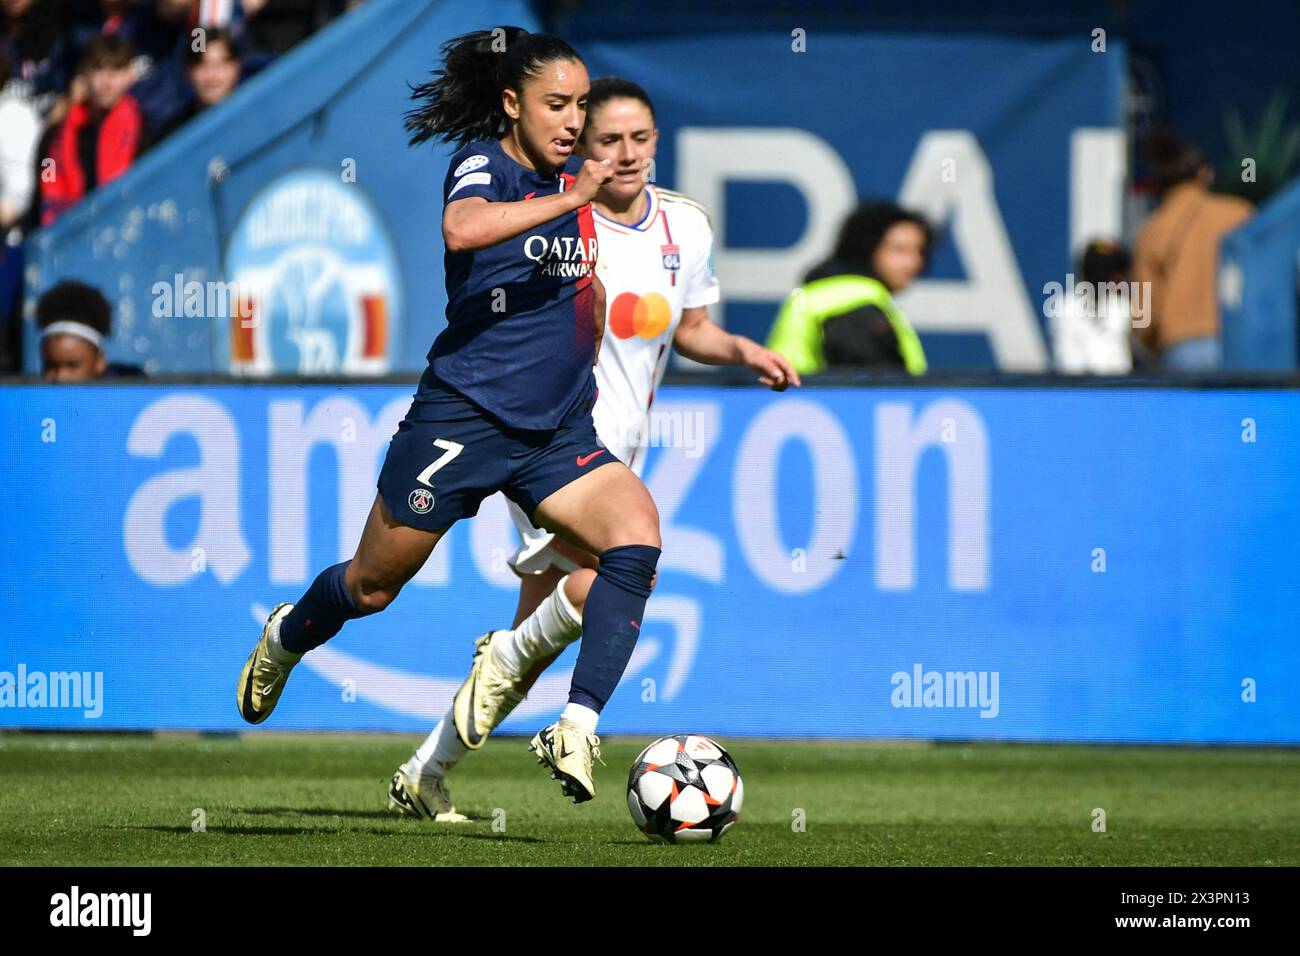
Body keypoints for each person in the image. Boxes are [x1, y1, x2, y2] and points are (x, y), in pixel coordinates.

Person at [236, 28, 661, 809]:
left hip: (556, 433)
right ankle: (289, 634)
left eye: (580, 106)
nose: (572, 121)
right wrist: (570, 196)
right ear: (512, 103)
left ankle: (575, 721)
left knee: (635, 541)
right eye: (555, 104)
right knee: (370, 587)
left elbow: (583, 288)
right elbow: (462, 229)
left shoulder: (574, 181)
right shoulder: (485, 166)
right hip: (461, 419)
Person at [387, 76, 799, 822]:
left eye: (640, 139)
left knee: (541, 631)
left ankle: (425, 771)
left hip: (616, 455)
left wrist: (743, 350)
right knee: (610, 575)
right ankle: (572, 721)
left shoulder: (685, 225)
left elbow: (691, 328)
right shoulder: (553, 222)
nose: (625, 155)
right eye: (607, 140)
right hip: (550, 443)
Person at [1132, 127, 1253, 371]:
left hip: (1180, 347)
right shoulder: (1239, 214)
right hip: (1236, 342)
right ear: (1203, 175)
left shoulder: (1152, 230)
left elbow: (1143, 314)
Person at [766, 201, 930, 376]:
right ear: (868, 248)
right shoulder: (854, 304)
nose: (914, 262)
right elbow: (870, 389)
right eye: (899, 250)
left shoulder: (828, 294)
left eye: (918, 251)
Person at [40, 33, 142, 225]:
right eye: (98, 70)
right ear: (84, 74)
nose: (107, 82)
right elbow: (46, 183)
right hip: (66, 232)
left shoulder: (142, 131)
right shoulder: (55, 136)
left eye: (117, 70)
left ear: (130, 74)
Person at [1050, 239, 1134, 375]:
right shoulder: (1065, 307)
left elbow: (1120, 362)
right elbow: (1068, 363)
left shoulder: (1120, 306)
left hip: (1116, 389)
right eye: (1113, 273)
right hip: (1077, 390)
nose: (1120, 279)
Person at [37, 279, 143, 380]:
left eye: (72, 365)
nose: (61, 377)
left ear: (99, 362)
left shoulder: (135, 394)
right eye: (50, 366)